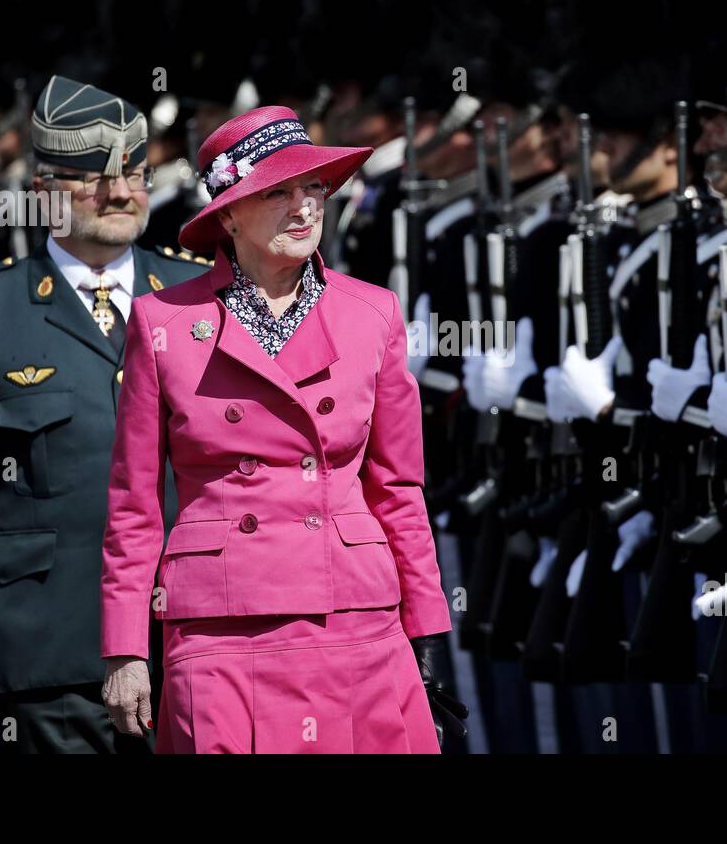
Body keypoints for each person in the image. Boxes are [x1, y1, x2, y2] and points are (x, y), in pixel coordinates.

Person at [99, 105, 466, 753]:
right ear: (229, 215)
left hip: (354, 617)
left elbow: (400, 492)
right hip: (220, 627)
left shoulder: (373, 313)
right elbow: (134, 506)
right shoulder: (163, 322)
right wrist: (126, 648)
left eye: (313, 190)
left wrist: (429, 632)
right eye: (277, 193)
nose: (304, 209)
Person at [0, 76, 207, 754]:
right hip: (52, 645)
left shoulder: (198, 294)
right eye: (93, 178)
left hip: (189, 641)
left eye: (134, 173)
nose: (121, 193)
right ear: (43, 191)